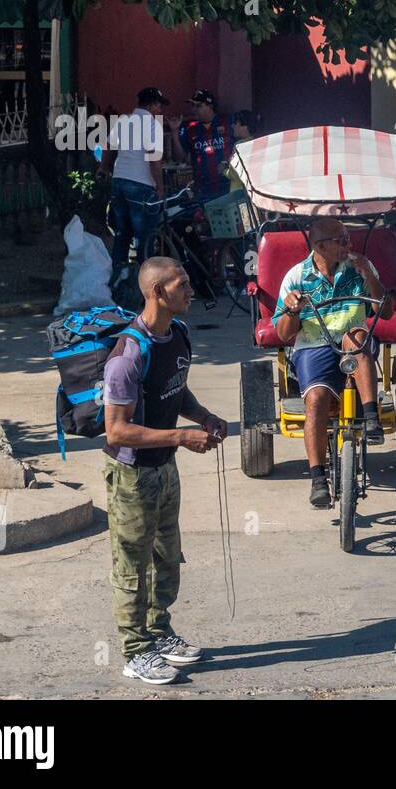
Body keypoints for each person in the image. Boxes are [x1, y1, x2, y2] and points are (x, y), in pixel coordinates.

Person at [102, 256, 228, 684]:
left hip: (165, 469)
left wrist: (204, 418)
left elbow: (176, 387)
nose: (191, 290)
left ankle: (159, 632)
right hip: (132, 475)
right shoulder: (127, 354)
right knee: (132, 565)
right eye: (183, 284)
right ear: (158, 291)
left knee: (167, 557)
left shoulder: (178, 334)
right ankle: (135, 650)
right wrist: (180, 438)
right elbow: (116, 432)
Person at [273, 217, 386, 508]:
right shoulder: (296, 277)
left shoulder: (360, 266)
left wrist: (370, 277)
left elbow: (384, 312)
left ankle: (372, 418)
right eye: (341, 240)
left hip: (351, 340)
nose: (348, 245)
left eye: (348, 238)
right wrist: (291, 310)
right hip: (313, 344)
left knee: (358, 336)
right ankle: (317, 479)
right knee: (316, 400)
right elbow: (283, 334)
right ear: (320, 245)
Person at [101, 87, 168, 274]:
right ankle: (145, 283)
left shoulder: (123, 121)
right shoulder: (153, 125)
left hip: (119, 181)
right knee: (144, 237)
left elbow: (107, 146)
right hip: (141, 185)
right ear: (152, 105)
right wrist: (160, 187)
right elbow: (154, 159)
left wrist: (104, 168)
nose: (161, 110)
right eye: (159, 105)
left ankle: (117, 278)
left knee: (122, 234)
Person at [178, 89, 234, 200]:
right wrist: (174, 132)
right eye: (192, 106)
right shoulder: (189, 128)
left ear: (210, 106)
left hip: (227, 184)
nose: (194, 110)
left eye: (198, 106)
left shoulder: (228, 121)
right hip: (203, 187)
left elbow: (245, 141)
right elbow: (181, 158)